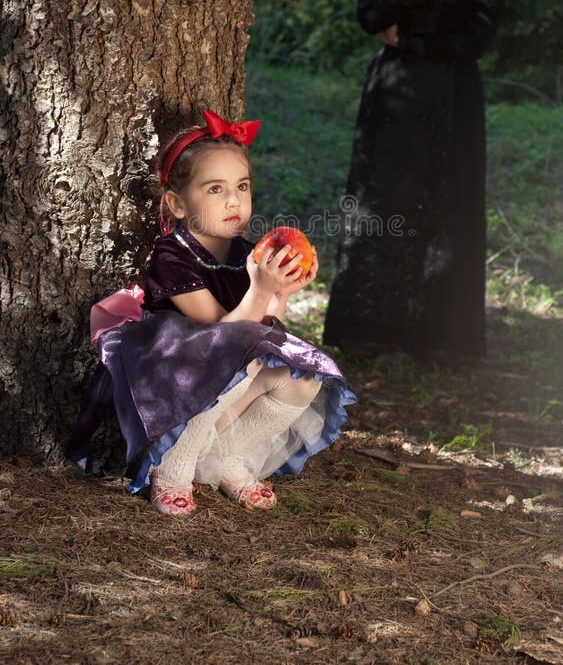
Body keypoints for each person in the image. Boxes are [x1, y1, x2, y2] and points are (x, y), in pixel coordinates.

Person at [67, 110, 356, 516]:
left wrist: (280, 292)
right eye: (215, 189)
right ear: (177, 204)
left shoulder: (248, 253)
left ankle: (228, 459)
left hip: (226, 377)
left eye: (242, 186)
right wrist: (261, 288)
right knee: (236, 361)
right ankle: (172, 466)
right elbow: (219, 337)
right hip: (176, 380)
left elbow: (266, 335)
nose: (234, 200)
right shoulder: (172, 256)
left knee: (302, 378)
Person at [324, 0, 505, 362]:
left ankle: (441, 340)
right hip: (392, 100)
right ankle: (367, 331)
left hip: (453, 104)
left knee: (448, 205)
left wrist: (408, 39)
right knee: (382, 202)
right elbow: (369, 15)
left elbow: (474, 43)